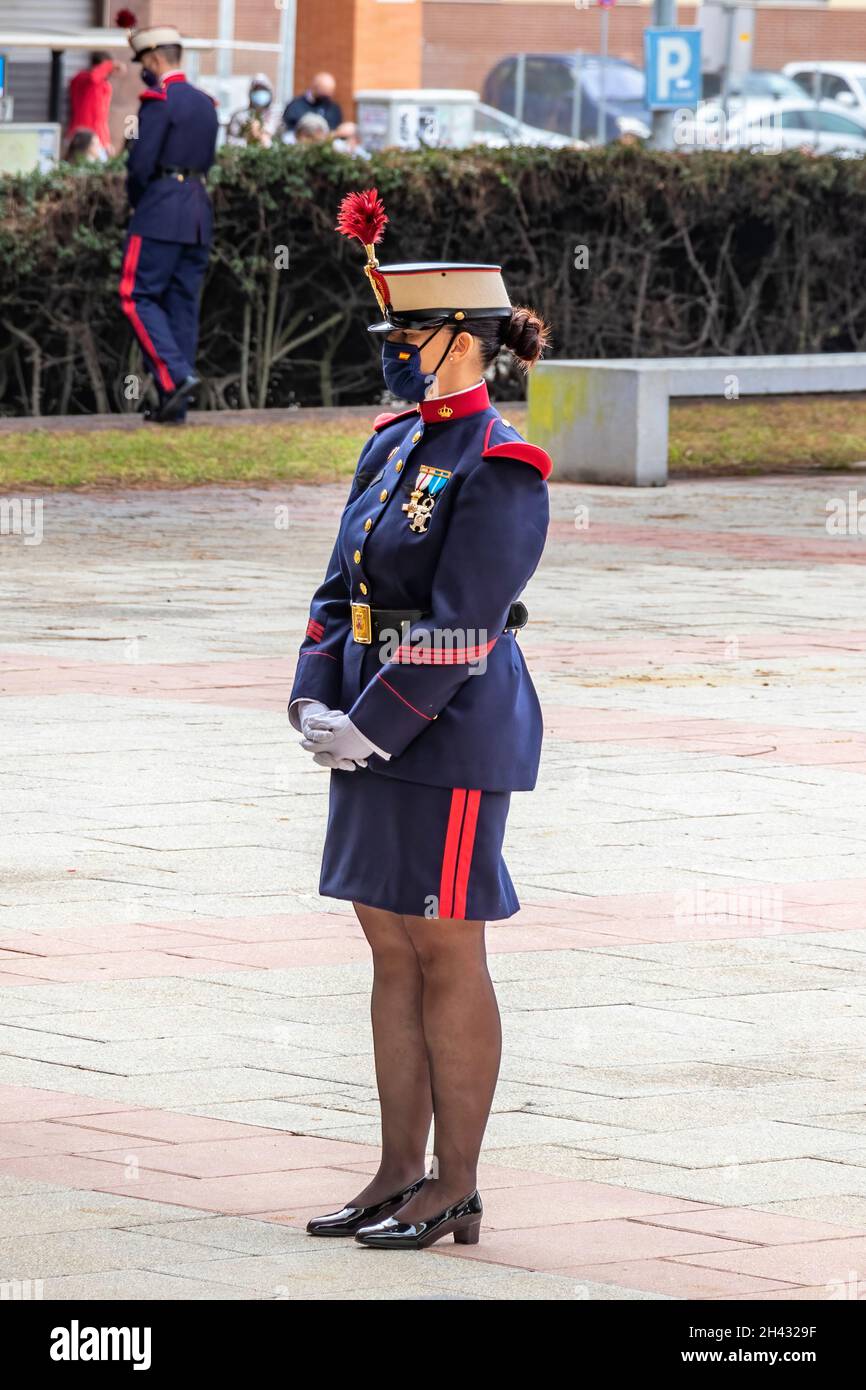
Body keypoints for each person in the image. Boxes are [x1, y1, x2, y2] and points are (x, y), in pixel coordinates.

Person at [288, 191, 552, 1250]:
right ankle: (397, 1171)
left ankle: (458, 1182)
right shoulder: (394, 445)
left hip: (442, 735)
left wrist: (376, 724)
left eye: (409, 335)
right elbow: (334, 587)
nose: (394, 353)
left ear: (464, 343)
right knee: (387, 948)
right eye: (389, 334)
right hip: (363, 719)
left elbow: (465, 624)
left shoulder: (498, 467)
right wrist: (313, 691)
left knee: (446, 949)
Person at [118, 24, 218, 425]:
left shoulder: (158, 100)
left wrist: (142, 204)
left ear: (155, 60)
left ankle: (175, 378)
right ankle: (174, 406)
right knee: (182, 305)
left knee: (135, 294)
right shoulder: (205, 103)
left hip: (161, 208)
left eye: (143, 62)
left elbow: (140, 167)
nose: (144, 69)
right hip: (197, 210)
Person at [66, 51, 125, 158]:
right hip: (85, 138)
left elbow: (102, 118)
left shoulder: (100, 84)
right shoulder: (86, 80)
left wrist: (106, 141)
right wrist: (110, 64)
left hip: (93, 138)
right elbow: (94, 77)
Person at [226, 74, 282, 148]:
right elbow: (230, 142)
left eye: (263, 90)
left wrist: (264, 138)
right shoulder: (239, 116)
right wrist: (248, 141)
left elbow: (283, 141)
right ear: (250, 93)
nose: (260, 93)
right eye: (256, 90)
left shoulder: (277, 116)